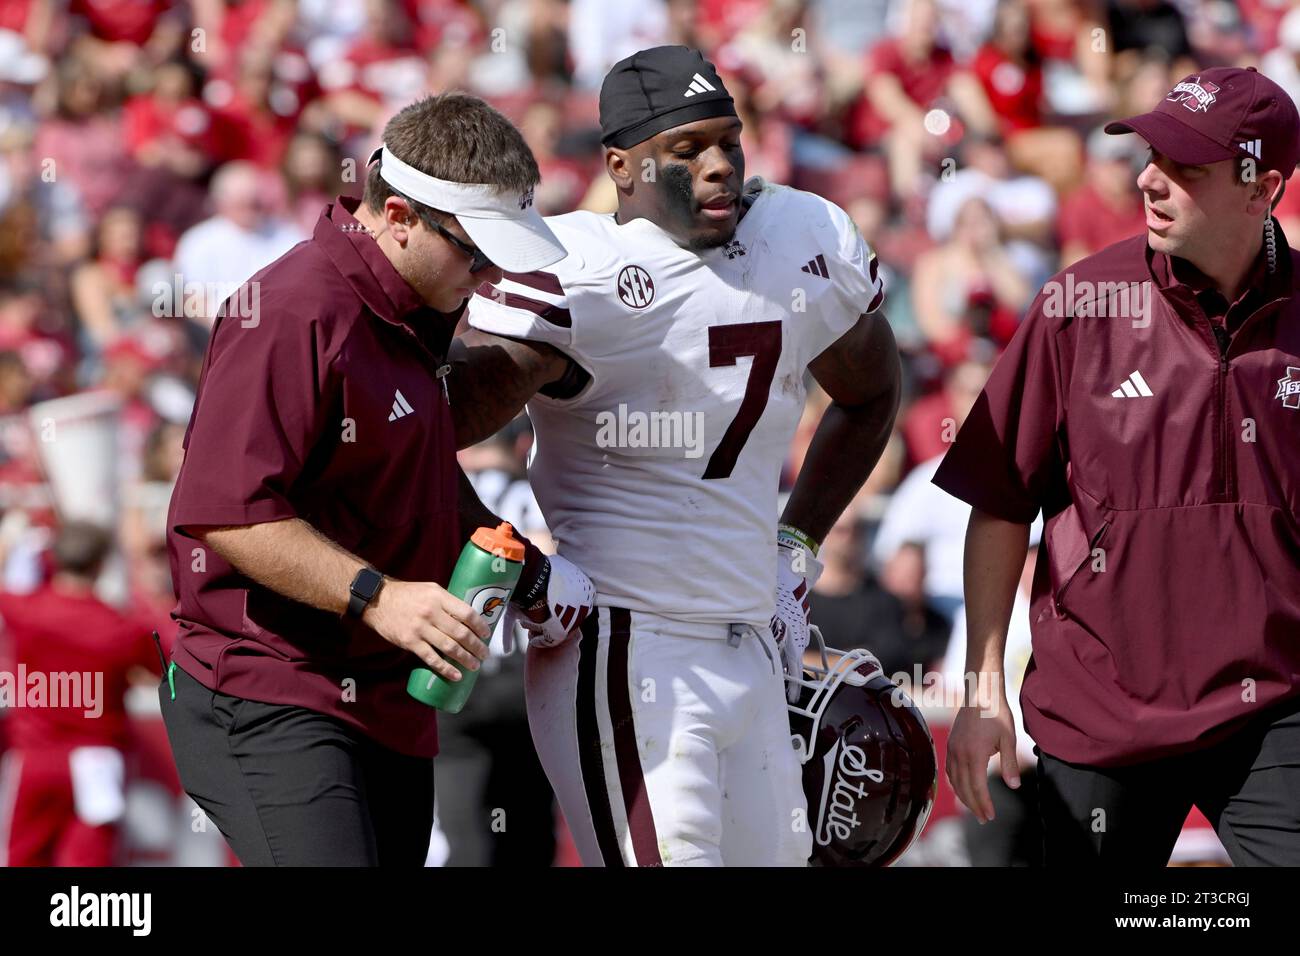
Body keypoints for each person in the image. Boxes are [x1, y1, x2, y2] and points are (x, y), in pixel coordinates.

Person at [451, 46, 901, 866]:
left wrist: (794, 546)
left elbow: (872, 393)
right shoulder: (573, 269)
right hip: (627, 645)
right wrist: (518, 564)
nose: (721, 165)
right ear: (622, 166)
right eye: (687, 150)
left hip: (754, 637)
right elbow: (412, 428)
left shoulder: (801, 236)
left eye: (729, 140)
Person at [160, 92, 594, 867]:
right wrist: (379, 597)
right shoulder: (292, 310)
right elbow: (229, 513)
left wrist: (531, 575)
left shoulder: (412, 311)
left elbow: (414, 483)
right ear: (399, 217)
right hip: (272, 689)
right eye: (477, 253)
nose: (491, 276)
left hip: (386, 698)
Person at [937, 66, 1300, 866]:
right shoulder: (1077, 307)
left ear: (1261, 187)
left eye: (1184, 168)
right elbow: (999, 504)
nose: (1148, 180)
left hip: (1275, 706)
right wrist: (982, 685)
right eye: (1149, 157)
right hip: (1102, 709)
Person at [0, 521, 159, 866]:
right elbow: (162, 664)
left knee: (23, 858)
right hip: (98, 760)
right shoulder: (121, 627)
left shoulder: (25, 610)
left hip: (38, 757)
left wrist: (15, 545)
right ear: (101, 564)